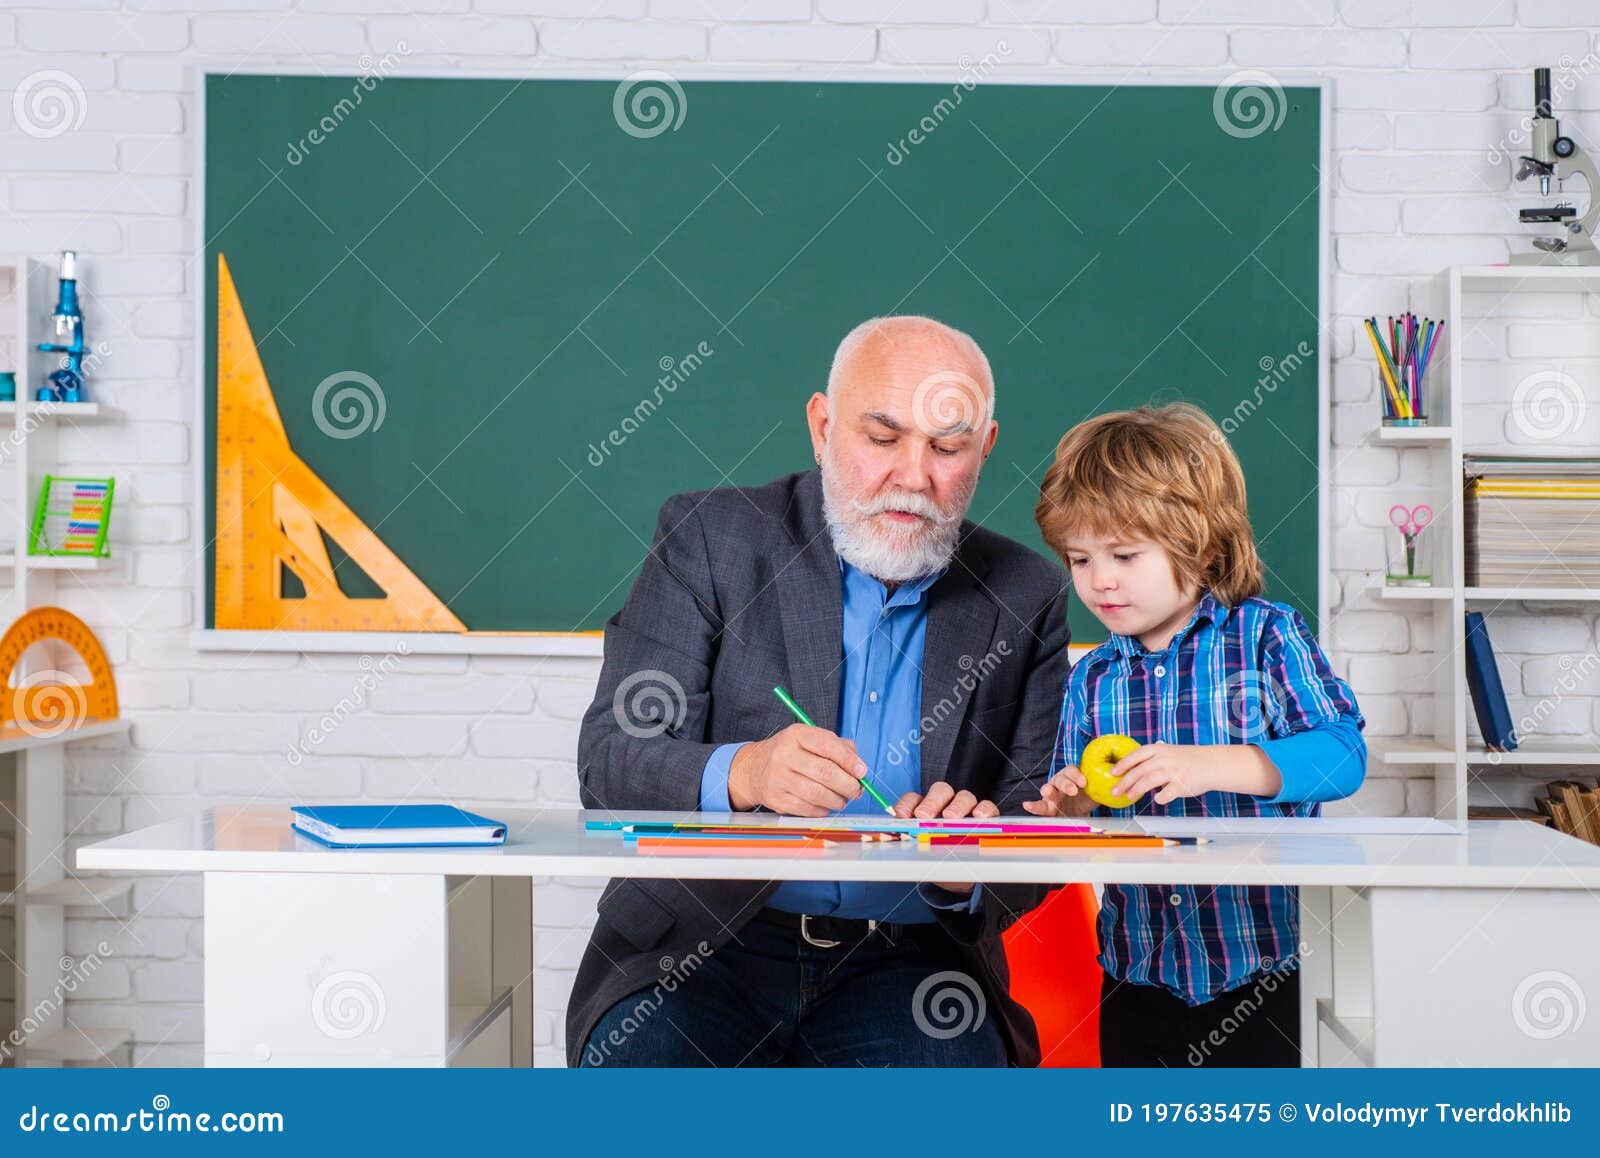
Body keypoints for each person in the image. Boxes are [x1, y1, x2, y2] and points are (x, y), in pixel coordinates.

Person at [568, 315, 1069, 1067]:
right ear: (823, 425)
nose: (912, 475)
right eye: (881, 437)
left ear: (984, 448)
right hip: (702, 949)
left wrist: (973, 864)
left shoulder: (1027, 591)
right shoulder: (712, 537)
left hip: (913, 964)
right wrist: (746, 774)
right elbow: (609, 762)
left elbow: (1038, 814)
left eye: (947, 447)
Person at [1030, 402, 1366, 1068]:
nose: (1100, 580)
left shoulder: (1267, 636)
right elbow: (1085, 809)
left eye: (1125, 554)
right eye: (1080, 558)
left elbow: (1342, 755)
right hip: (1137, 977)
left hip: (1264, 974)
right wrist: (1072, 807)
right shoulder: (1091, 676)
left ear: (1202, 543)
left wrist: (1211, 765)